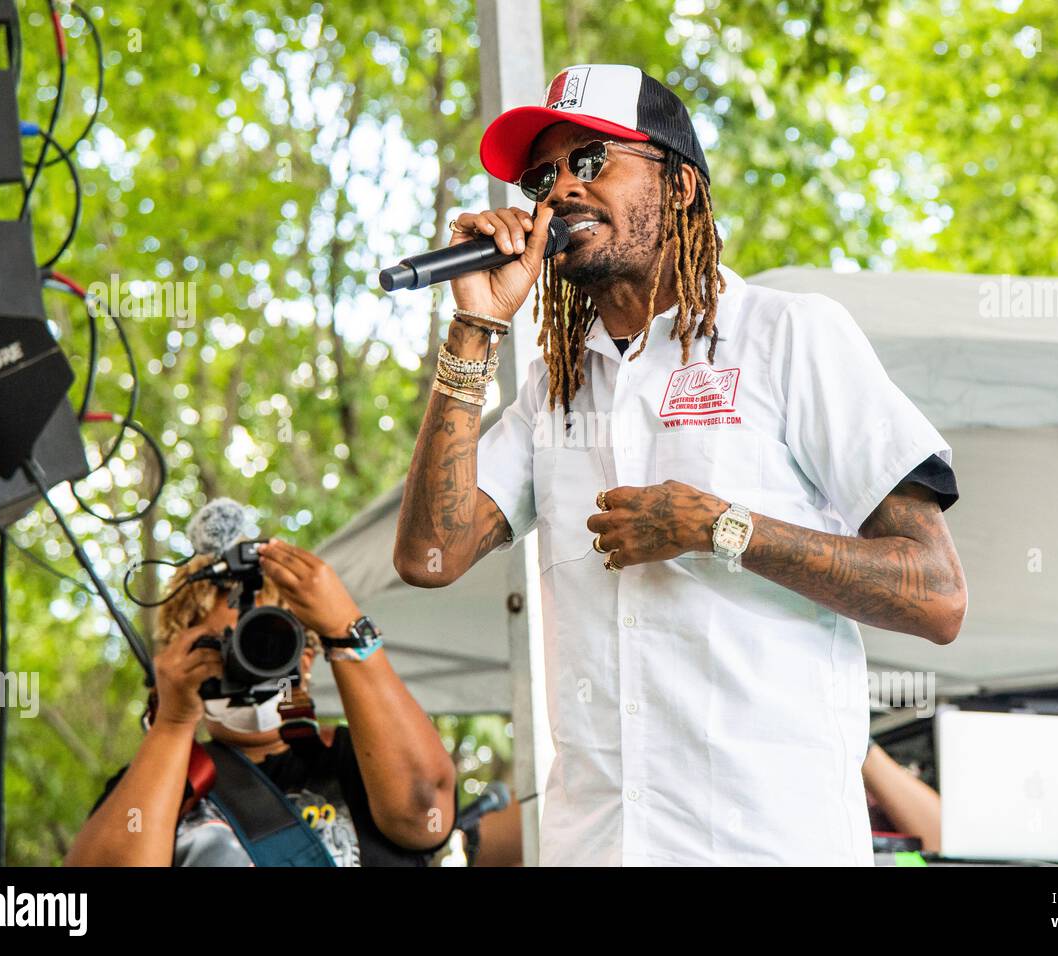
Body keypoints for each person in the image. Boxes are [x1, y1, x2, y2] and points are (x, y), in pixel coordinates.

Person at [394, 63, 966, 865]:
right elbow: (429, 554)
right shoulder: (555, 386)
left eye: (590, 160)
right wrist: (474, 330)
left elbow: (935, 596)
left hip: (766, 848)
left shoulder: (789, 335)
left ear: (683, 187)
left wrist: (720, 527)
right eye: (541, 176)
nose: (559, 190)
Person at [68, 500, 456, 866]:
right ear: (179, 663)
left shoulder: (367, 760)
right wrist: (172, 724)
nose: (247, 658)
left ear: (307, 654)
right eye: (222, 647)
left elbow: (426, 811)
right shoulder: (156, 785)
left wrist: (347, 630)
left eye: (270, 640)